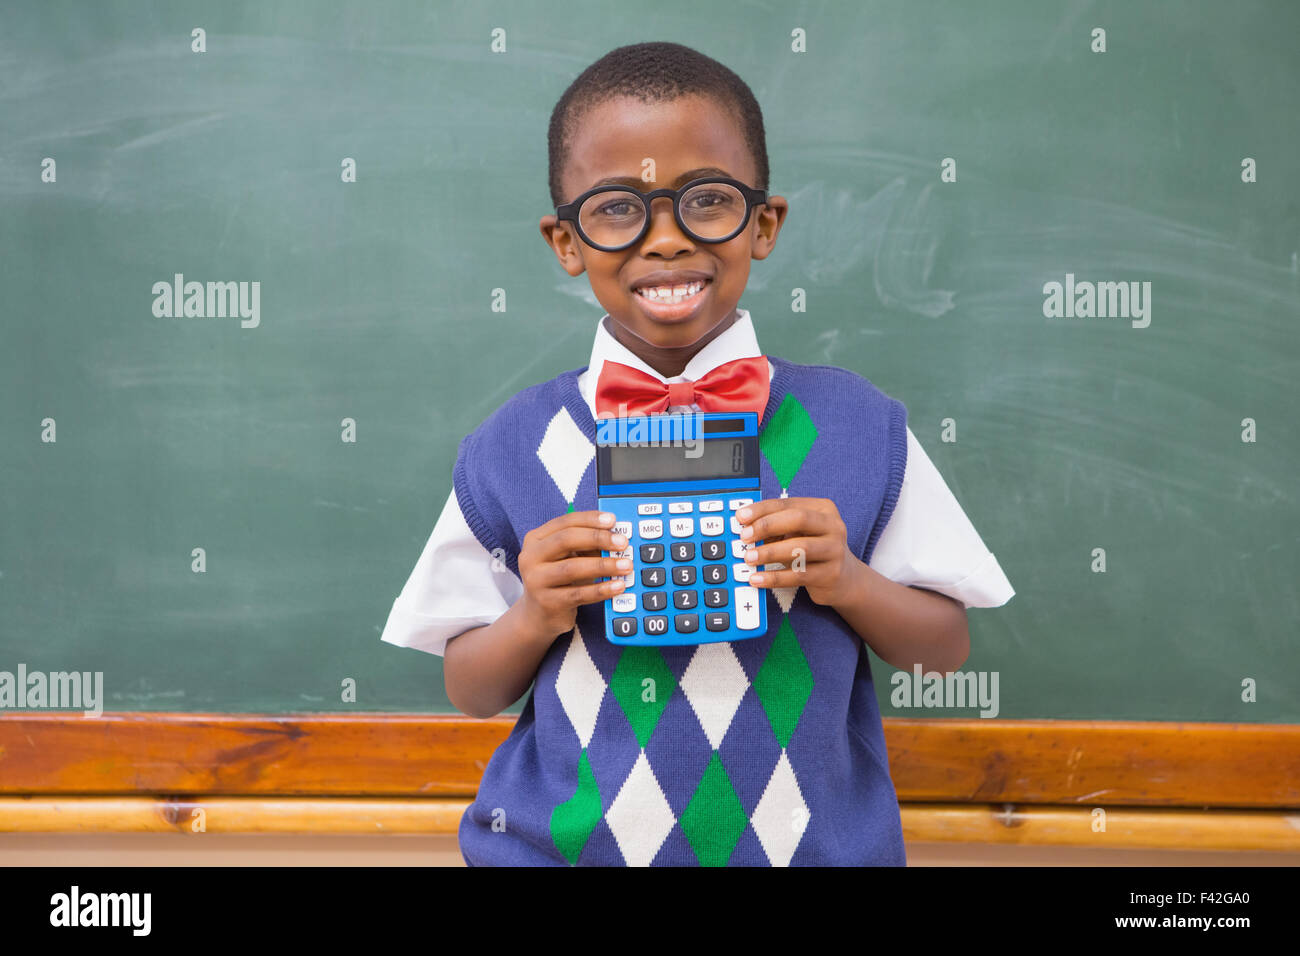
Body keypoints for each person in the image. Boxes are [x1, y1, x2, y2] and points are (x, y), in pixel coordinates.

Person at [381, 41, 1014, 866]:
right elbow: (471, 689)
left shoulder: (859, 426)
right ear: (566, 242)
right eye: (617, 208)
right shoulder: (513, 445)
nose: (668, 239)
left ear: (764, 224)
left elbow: (945, 649)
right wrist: (535, 613)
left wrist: (847, 581)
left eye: (706, 201)